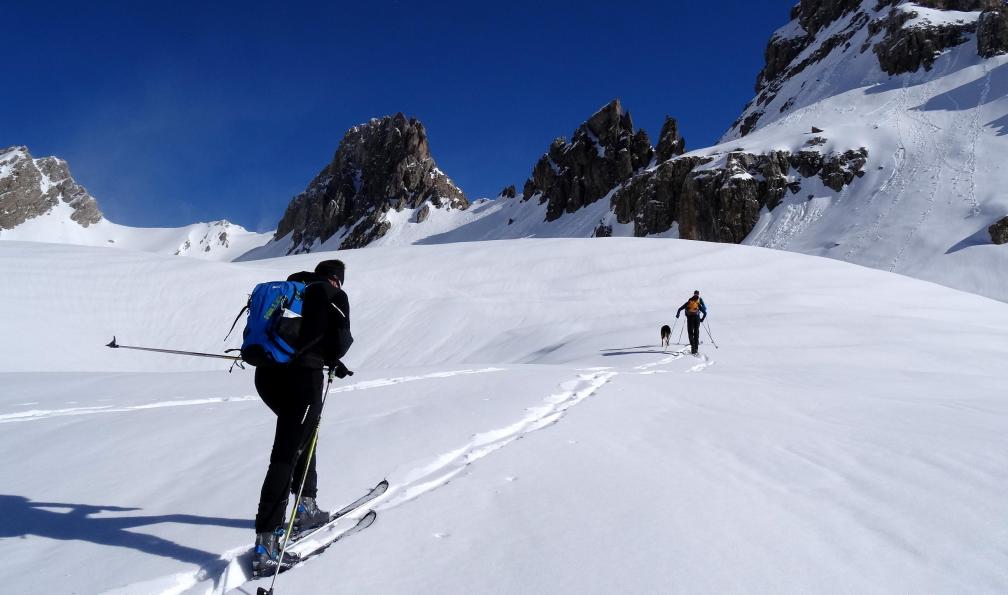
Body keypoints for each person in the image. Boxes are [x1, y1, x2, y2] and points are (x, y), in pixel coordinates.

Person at [252, 259, 354, 577]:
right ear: (336, 278)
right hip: (301, 380)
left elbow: (305, 338)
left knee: (303, 438)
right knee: (287, 452)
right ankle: (267, 545)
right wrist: (333, 357)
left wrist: (329, 361)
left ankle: (306, 507)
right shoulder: (332, 294)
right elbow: (339, 340)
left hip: (267, 376)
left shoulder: (290, 291)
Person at [676, 290, 707, 355]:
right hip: (697, 318)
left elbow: (679, 309)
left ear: (693, 294)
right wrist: (702, 319)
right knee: (696, 333)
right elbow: (705, 312)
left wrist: (678, 315)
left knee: (690, 333)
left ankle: (693, 348)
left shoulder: (689, 301)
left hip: (689, 319)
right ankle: (696, 349)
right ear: (698, 294)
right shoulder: (698, 301)